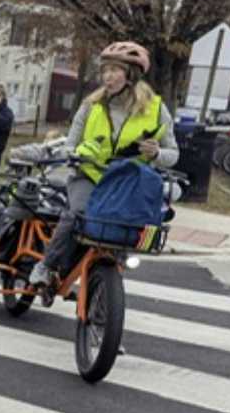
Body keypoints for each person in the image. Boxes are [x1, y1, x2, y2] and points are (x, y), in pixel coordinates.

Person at [27, 41, 179, 288]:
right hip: (90, 175)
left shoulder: (156, 109)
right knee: (76, 215)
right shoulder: (91, 106)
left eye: (115, 70)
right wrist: (76, 154)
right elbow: (70, 143)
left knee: (133, 222)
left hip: (127, 181)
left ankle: (110, 268)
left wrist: (156, 153)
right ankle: (46, 265)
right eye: (105, 70)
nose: (107, 77)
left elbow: (173, 154)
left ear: (131, 74)